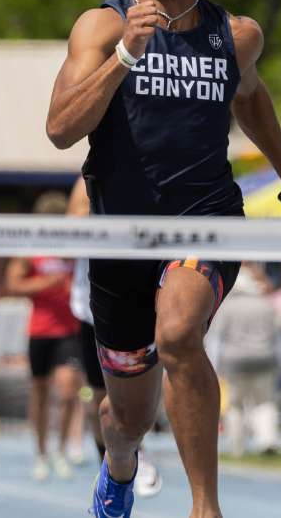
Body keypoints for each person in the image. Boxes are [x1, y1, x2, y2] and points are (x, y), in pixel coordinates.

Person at [44, 0, 281, 518]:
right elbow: (60, 128)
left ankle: (205, 507)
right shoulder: (101, 26)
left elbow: (250, 96)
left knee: (177, 334)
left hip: (206, 218)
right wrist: (124, 55)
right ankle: (120, 467)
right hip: (118, 236)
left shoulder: (236, 35)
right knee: (126, 417)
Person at [67, 177, 162, 497]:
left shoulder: (153, 173)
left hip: (143, 297)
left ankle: (135, 448)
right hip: (94, 306)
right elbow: (73, 223)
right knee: (99, 395)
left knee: (139, 387)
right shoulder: (86, 181)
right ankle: (109, 461)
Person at [4, 192, 84, 482]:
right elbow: (13, 283)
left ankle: (61, 450)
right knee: (39, 391)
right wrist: (45, 283)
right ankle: (40, 453)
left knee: (68, 390)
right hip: (40, 331)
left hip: (69, 331)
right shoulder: (31, 249)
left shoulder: (74, 248)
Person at [212, 263, 281, 457]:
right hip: (264, 358)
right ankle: (267, 440)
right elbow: (278, 337)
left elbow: (217, 339)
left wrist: (214, 365)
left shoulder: (227, 307)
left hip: (234, 361)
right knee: (265, 401)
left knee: (234, 404)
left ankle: (237, 446)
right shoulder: (266, 305)